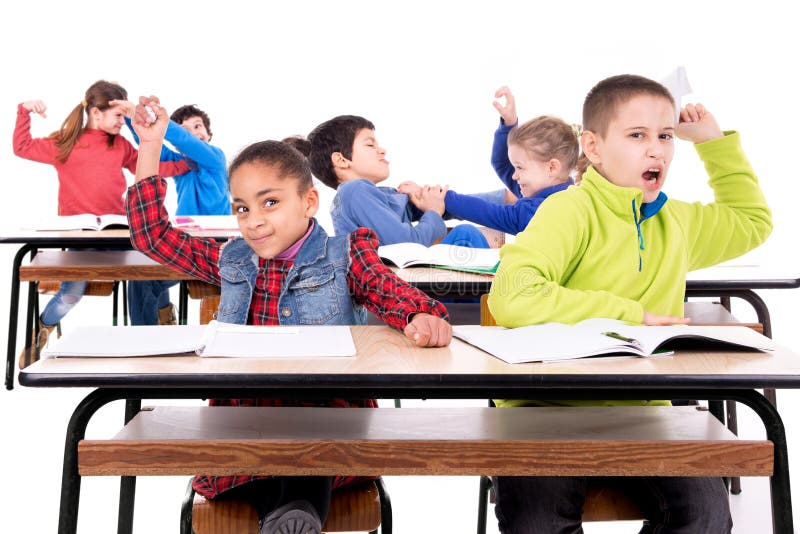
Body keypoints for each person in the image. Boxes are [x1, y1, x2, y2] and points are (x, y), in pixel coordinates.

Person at [127, 96, 452, 534]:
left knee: (311, 450)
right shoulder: (233, 259)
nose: (253, 221)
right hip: (245, 417)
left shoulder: (345, 253)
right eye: (242, 207)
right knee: (255, 459)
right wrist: (149, 147)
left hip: (328, 417)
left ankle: (293, 512)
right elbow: (153, 236)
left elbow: (388, 289)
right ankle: (291, 515)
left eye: (270, 203)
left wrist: (418, 315)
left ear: (309, 202)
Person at [487, 74, 772, 533]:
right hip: (543, 408)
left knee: (705, 517)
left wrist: (714, 143)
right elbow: (512, 294)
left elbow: (751, 222)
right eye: (637, 135)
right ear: (593, 148)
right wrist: (631, 316)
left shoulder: (676, 221)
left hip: (643, 410)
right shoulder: (568, 210)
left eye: (664, 136)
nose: (655, 149)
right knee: (538, 520)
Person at [12, 80, 188, 361]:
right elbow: (21, 147)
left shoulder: (119, 145)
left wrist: (187, 163)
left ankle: (164, 317)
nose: (122, 122)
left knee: (152, 264)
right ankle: (42, 329)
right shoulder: (65, 144)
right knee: (72, 293)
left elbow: (151, 164)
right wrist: (24, 111)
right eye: (118, 115)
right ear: (96, 113)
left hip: (117, 235)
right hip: (81, 239)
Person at [401, 86, 578, 235]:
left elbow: (489, 213)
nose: (514, 176)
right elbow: (502, 163)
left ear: (552, 167)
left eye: (520, 168)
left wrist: (442, 196)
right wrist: (509, 124)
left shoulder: (543, 210)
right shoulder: (549, 188)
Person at [305, 114, 505, 247]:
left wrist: (503, 198)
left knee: (466, 235)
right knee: (465, 236)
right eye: (370, 144)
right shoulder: (354, 191)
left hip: (410, 283)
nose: (382, 150)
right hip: (399, 286)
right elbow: (406, 246)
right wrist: (434, 211)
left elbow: (447, 204)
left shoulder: (377, 195)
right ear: (341, 160)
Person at [124, 103, 230, 326]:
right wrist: (129, 116)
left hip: (217, 247)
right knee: (142, 275)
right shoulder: (180, 165)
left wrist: (164, 126)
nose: (193, 132)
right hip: (186, 244)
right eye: (185, 128)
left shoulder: (216, 159)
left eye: (198, 126)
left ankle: (161, 319)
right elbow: (149, 144)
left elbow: (187, 142)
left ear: (208, 134)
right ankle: (153, 330)